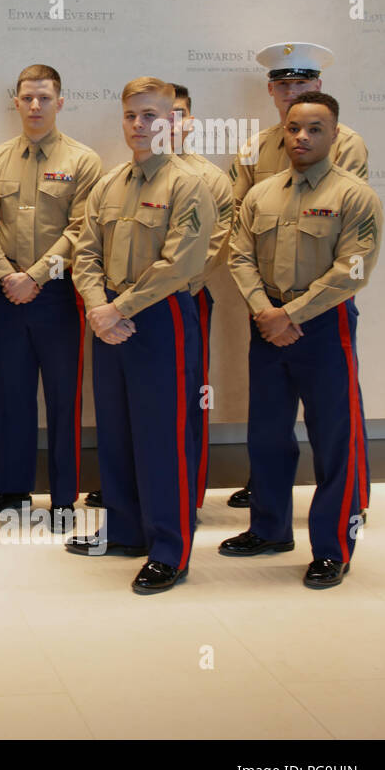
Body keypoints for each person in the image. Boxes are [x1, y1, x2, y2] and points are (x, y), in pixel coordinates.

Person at [221, 92, 381, 588]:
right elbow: (238, 255)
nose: (302, 137)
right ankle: (269, 528)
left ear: (335, 134)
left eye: (314, 128)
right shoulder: (260, 194)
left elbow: (353, 269)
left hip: (323, 327)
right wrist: (265, 311)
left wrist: (289, 314)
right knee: (267, 434)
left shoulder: (355, 196)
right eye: (293, 128)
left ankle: (332, 547)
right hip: (266, 324)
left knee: (335, 439)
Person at [69, 77, 211, 593]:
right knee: (116, 430)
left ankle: (170, 549)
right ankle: (126, 530)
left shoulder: (187, 184)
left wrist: (118, 308)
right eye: (131, 115)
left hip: (159, 319)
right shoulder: (109, 184)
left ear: (172, 122)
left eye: (150, 115)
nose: (138, 125)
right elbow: (84, 251)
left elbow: (181, 263)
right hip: (109, 320)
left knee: (162, 436)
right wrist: (99, 306)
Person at [226, 42, 369, 509]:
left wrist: (293, 313)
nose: (292, 93)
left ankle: (348, 504)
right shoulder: (255, 149)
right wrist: (267, 310)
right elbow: (238, 225)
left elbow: (343, 229)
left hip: (322, 307)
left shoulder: (345, 142)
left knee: (334, 421)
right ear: (271, 91)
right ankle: (269, 510)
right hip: (266, 309)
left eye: (301, 84)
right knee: (267, 420)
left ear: (319, 87)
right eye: (283, 86)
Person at [0, 64, 101, 529]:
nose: (34, 106)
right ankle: (12, 487)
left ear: (60, 102)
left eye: (44, 98)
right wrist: (9, 275)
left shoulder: (82, 161)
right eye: (27, 97)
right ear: (16, 101)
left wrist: (36, 276)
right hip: (7, 293)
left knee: (63, 398)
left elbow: (81, 231)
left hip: (58, 296)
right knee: (11, 395)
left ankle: (65, 495)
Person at [167, 84, 234, 509]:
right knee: (140, 397)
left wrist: (172, 288)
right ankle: (143, 483)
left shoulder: (211, 179)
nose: (166, 122)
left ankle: (188, 489)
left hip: (187, 299)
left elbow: (216, 245)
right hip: (135, 306)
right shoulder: (127, 175)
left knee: (191, 393)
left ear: (190, 122)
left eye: (177, 113)